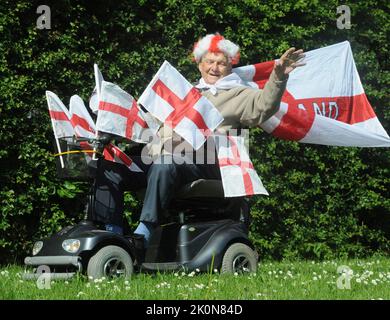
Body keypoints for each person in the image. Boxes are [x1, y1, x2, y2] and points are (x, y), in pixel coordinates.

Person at [93, 33, 305, 246]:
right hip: (164, 158)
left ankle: (145, 232)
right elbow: (152, 127)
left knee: (165, 164)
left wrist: (278, 76)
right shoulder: (185, 92)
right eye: (210, 61)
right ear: (199, 64)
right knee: (112, 166)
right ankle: (112, 232)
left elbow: (264, 107)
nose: (215, 67)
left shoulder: (239, 93)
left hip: (207, 162)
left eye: (221, 63)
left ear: (230, 66)